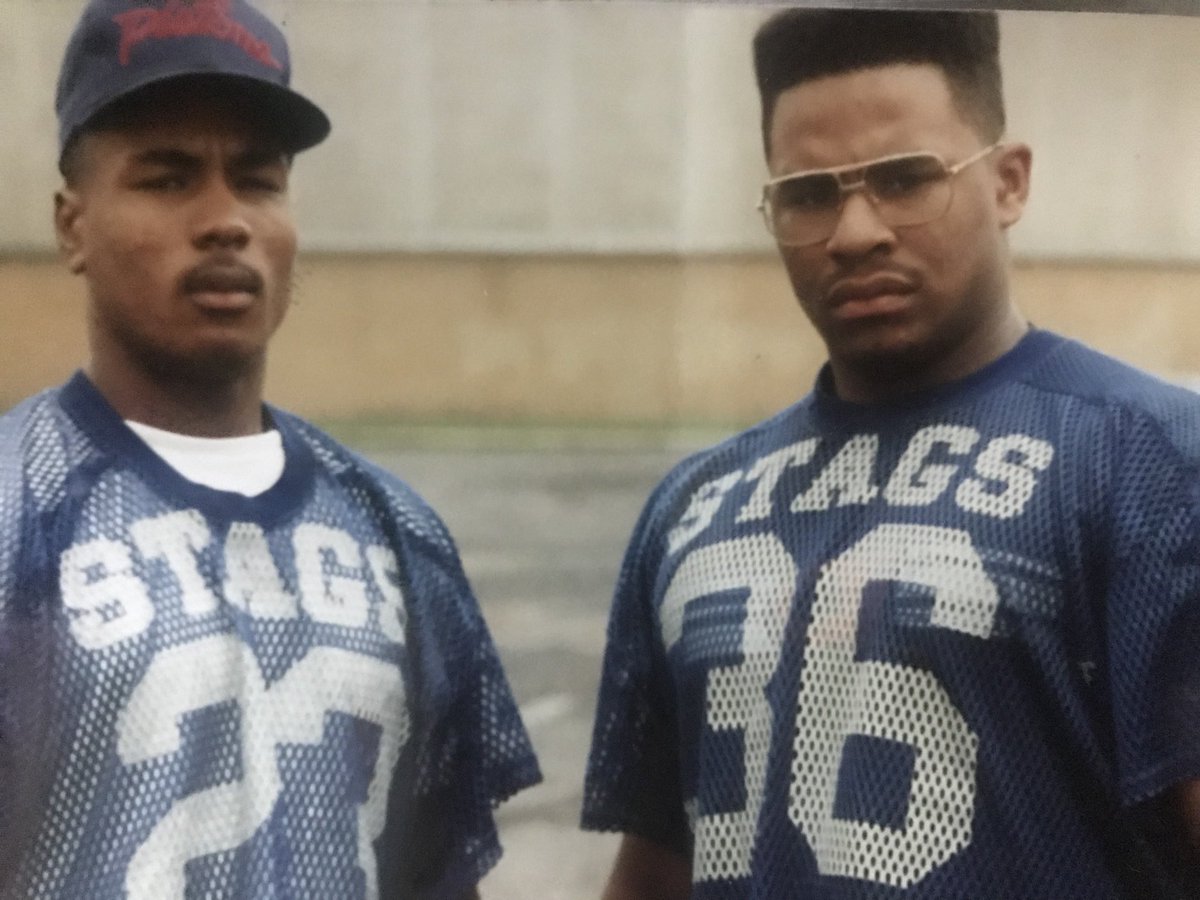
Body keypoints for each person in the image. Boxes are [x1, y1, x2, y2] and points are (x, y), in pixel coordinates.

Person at [581, 8, 1200, 898]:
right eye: (809, 194)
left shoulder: (1151, 463)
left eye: (907, 179)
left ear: (1010, 182)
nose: (855, 232)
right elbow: (660, 863)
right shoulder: (695, 502)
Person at [0, 1, 540, 897]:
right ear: (72, 227)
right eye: (167, 179)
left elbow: (437, 876)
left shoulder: (400, 534)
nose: (225, 220)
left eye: (257, 180)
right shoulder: (17, 507)